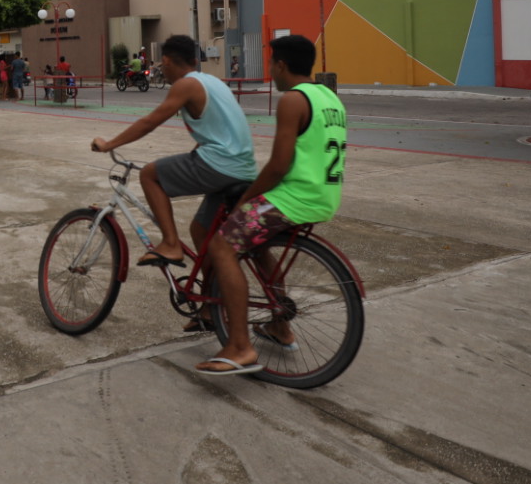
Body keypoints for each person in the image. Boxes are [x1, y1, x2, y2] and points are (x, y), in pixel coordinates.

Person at [192, 34, 347, 375]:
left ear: (281, 64)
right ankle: (279, 325)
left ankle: (239, 346)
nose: (270, 71)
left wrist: (246, 201)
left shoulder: (293, 100)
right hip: (323, 196)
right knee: (256, 244)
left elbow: (278, 166)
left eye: (271, 64)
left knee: (221, 245)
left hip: (293, 198)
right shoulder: (328, 97)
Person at [90, 32, 256, 284]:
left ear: (166, 61)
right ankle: (210, 307)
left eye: (160, 65)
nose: (159, 70)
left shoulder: (186, 85)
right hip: (243, 168)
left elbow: (150, 122)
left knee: (149, 175)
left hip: (220, 164)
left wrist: (109, 144)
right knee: (200, 231)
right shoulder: (213, 82)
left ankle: (170, 244)